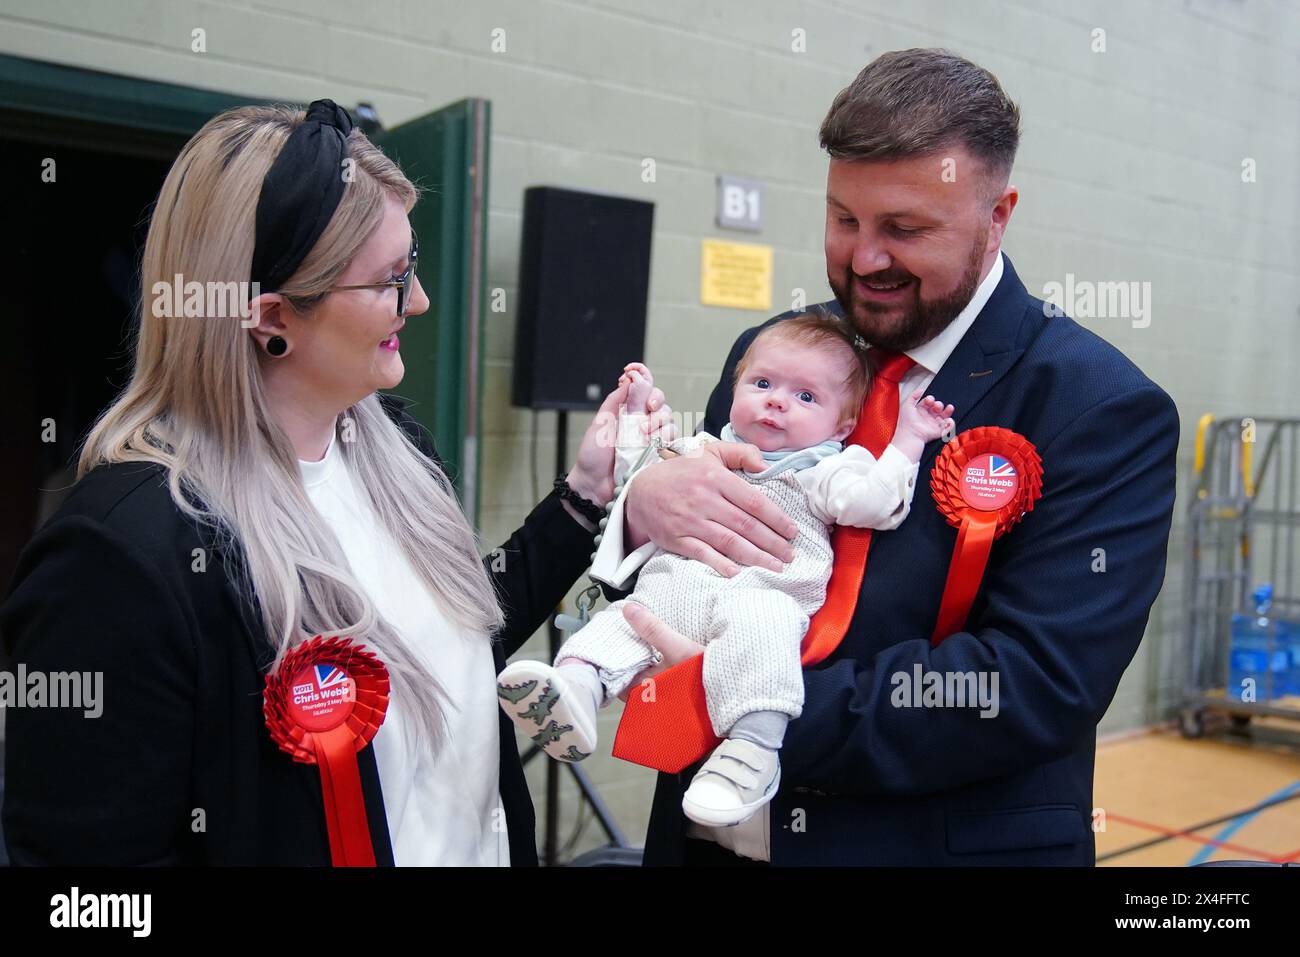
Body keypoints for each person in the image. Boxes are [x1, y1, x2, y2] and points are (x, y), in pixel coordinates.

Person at [0, 100, 674, 866]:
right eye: (393, 279)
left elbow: (452, 644)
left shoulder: (391, 448)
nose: (417, 301)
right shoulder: (124, 552)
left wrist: (587, 495)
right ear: (269, 316)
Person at [597, 49, 1179, 865]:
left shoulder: (1098, 404)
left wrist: (743, 698)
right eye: (844, 220)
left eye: (904, 229)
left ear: (997, 215)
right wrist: (639, 508)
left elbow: (1031, 683)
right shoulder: (775, 355)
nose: (864, 259)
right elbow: (680, 567)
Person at [496, 317, 953, 828]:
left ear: (843, 426)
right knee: (623, 621)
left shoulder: (826, 469)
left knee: (765, 630)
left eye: (806, 397)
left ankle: (751, 753)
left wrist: (909, 441)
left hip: (760, 595)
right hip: (675, 593)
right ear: (735, 392)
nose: (777, 401)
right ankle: (575, 692)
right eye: (762, 385)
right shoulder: (700, 451)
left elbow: (875, 503)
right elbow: (635, 468)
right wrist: (634, 410)